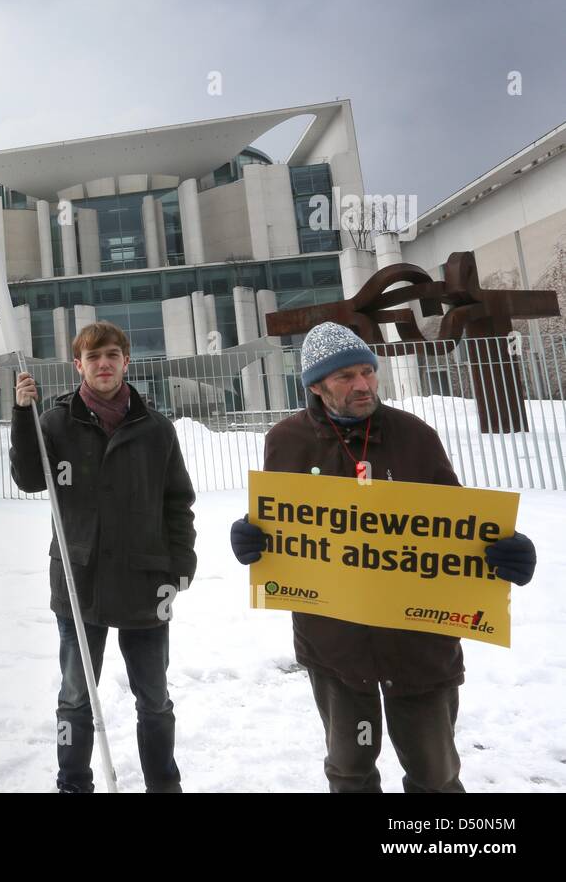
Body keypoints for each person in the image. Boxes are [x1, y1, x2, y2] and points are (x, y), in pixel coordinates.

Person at [230, 322, 537, 793]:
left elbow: (456, 525)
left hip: (418, 642)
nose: (362, 385)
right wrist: (252, 537)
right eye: (345, 377)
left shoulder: (415, 436)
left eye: (367, 372)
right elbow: (283, 524)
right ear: (315, 385)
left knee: (435, 774)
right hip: (335, 642)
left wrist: (506, 550)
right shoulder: (287, 441)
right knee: (350, 770)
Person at [10, 321, 197, 793]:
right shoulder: (54, 422)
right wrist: (21, 415)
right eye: (93, 357)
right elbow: (31, 479)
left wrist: (181, 565)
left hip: (146, 583)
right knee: (75, 697)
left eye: (112, 354)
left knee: (154, 699)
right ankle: (72, 782)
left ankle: (163, 784)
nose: (104, 364)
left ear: (126, 360)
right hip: (79, 583)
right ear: (78, 365)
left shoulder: (156, 429)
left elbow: (178, 501)